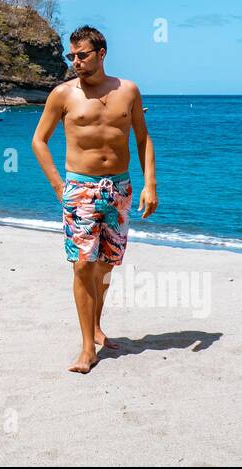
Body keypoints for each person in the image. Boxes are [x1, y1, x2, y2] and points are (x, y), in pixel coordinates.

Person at [31, 25, 157, 373]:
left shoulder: (128, 91)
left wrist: (151, 185)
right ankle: (87, 348)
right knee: (82, 265)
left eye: (82, 55)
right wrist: (59, 186)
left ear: (101, 54)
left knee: (105, 264)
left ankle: (97, 327)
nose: (75, 61)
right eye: (71, 56)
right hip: (80, 189)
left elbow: (143, 140)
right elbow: (38, 141)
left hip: (119, 189)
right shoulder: (62, 94)